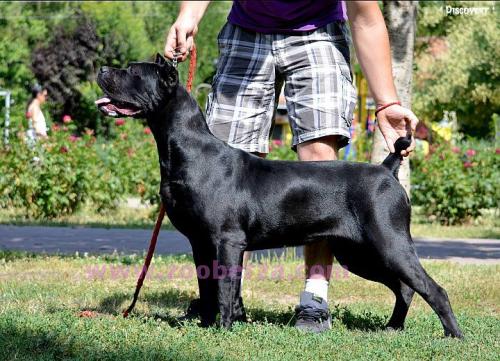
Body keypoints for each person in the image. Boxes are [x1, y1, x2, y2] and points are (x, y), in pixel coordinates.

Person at [165, 0, 419, 333]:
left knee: (319, 157)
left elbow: (366, 18)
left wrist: (387, 103)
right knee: (224, 168)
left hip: (319, 34)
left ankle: (314, 299)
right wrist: (189, 15)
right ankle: (224, 301)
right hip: (247, 30)